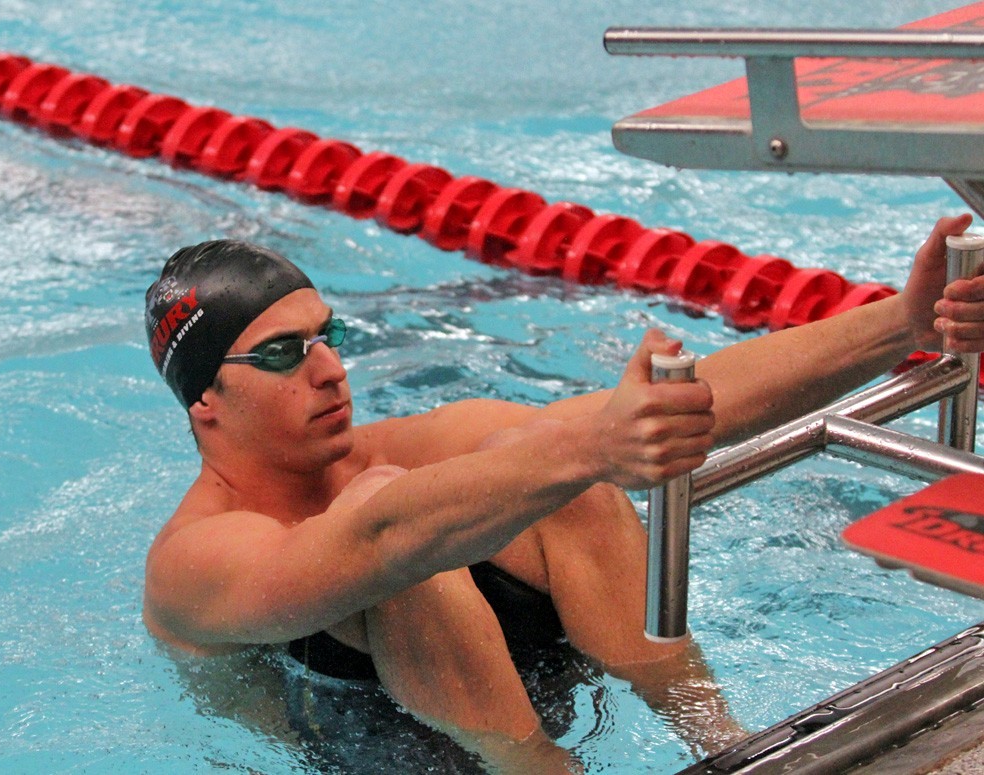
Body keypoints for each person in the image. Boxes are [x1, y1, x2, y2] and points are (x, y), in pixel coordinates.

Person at [142, 214, 984, 771]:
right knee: (400, 515)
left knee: (547, 464)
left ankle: (732, 746)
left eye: (330, 336)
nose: (330, 368)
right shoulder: (195, 562)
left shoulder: (412, 441)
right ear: (205, 399)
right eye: (285, 354)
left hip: (520, 696)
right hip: (393, 753)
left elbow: (688, 402)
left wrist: (903, 325)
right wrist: (589, 443)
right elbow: (379, 538)